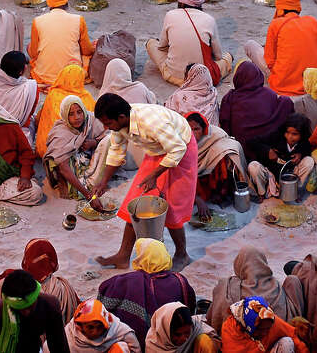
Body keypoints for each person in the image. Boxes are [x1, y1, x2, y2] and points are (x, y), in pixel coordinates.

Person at [90, 95, 198, 271]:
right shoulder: (119, 123)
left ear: (122, 118)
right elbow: (116, 151)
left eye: (108, 123)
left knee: (170, 206)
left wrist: (155, 174)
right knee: (137, 203)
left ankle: (182, 254)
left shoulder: (151, 123)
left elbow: (178, 149)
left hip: (181, 149)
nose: (106, 128)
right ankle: (123, 256)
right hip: (158, 150)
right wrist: (103, 182)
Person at [0, 269, 69, 353]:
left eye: (29, 306)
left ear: (36, 297)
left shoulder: (50, 305)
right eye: (20, 308)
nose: (26, 312)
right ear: (9, 303)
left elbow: (59, 346)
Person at [146, 0, 232, 86]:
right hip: (202, 78)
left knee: (151, 43)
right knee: (227, 57)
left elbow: (162, 47)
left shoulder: (170, 15)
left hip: (173, 76)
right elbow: (218, 56)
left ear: (180, 2)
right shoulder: (209, 20)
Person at [207, 248, 294, 331]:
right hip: (274, 338)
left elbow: (215, 317)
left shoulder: (227, 285)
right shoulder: (276, 285)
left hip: (236, 339)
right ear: (263, 263)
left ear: (239, 263)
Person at [220, 297, 307, 353]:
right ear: (250, 327)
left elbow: (292, 335)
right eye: (261, 330)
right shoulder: (230, 331)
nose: (265, 332)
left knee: (287, 342)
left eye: (268, 329)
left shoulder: (269, 319)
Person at [64, 299, 141, 353]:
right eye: (90, 327)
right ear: (79, 326)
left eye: (100, 326)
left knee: (121, 348)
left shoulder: (117, 328)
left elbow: (136, 349)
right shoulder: (69, 334)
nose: (95, 331)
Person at [146, 304, 216, 353]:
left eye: (187, 333)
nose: (184, 339)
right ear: (165, 332)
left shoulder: (194, 326)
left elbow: (214, 334)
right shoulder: (154, 346)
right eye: (178, 335)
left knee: (205, 340)